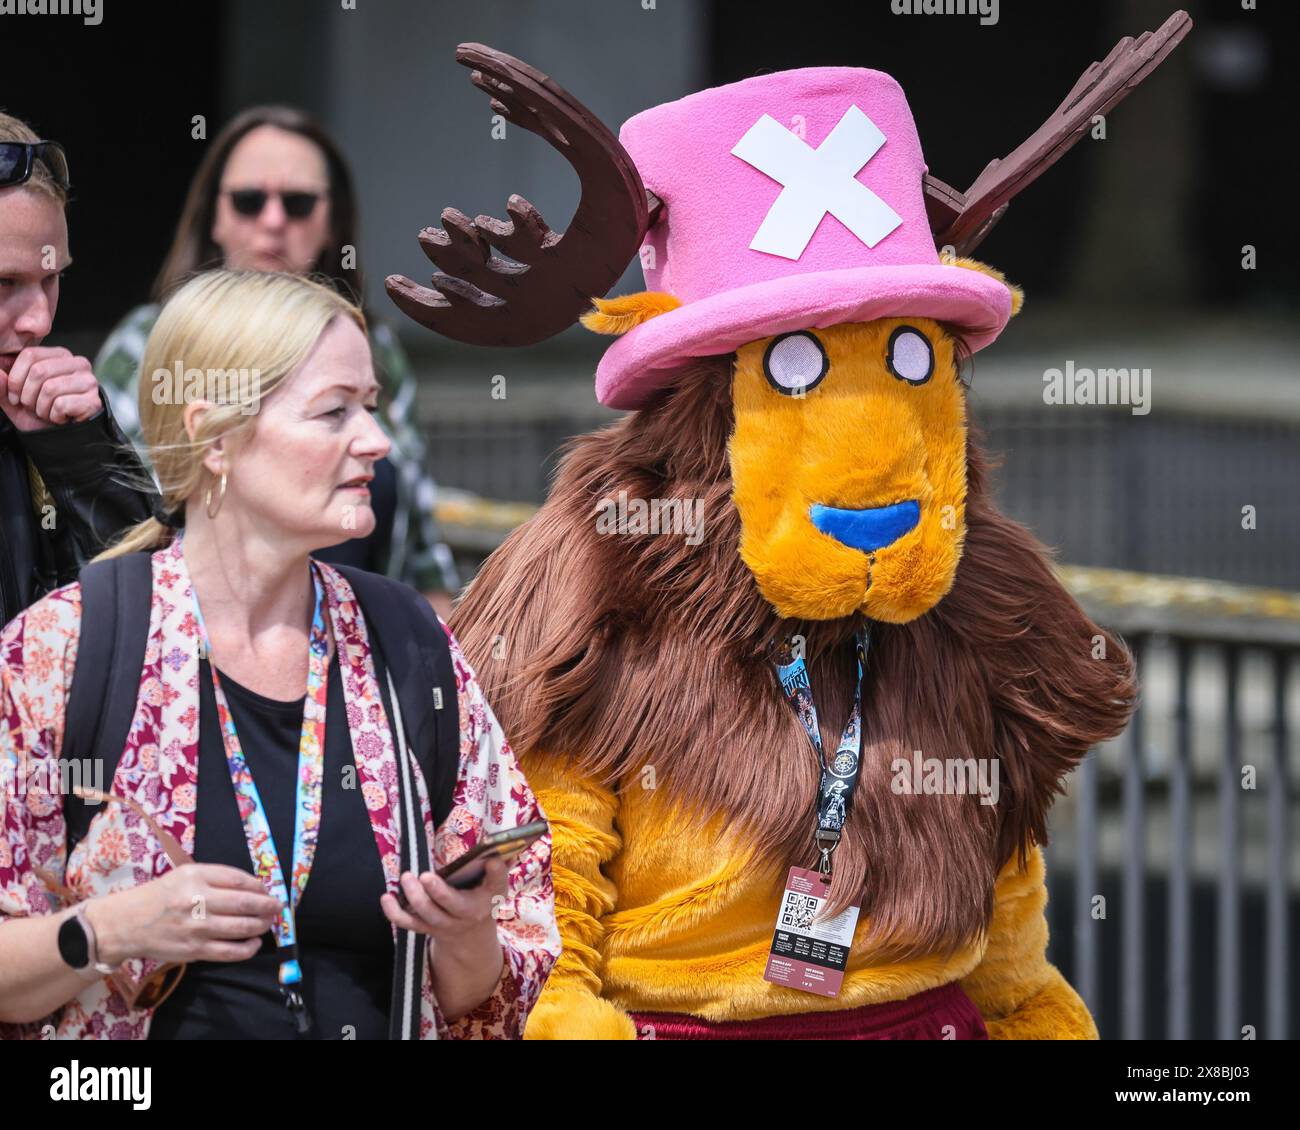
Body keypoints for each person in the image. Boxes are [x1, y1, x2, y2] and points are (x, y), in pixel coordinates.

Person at [0, 270, 558, 1040]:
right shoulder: (62, 649)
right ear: (216, 438)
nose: (376, 441)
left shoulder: (404, 638)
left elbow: (488, 996)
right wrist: (109, 930)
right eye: (334, 412)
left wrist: (463, 931)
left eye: (371, 406)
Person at [95, 105, 459, 617]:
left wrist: (443, 668)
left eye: (298, 202)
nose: (272, 221)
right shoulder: (145, 344)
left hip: (363, 648)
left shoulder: (372, 346)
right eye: (248, 201)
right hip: (190, 633)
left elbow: (422, 556)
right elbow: (129, 517)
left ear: (333, 221)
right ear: (213, 217)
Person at [0, 112, 155, 626]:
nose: (40, 320)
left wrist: (82, 460)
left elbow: (161, 624)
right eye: (4, 282)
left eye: (52, 279)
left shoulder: (50, 416)